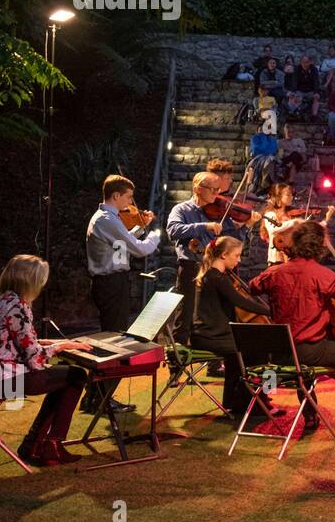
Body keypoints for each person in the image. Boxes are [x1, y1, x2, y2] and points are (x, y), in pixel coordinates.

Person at [248, 221, 335, 433]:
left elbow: (253, 287)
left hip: (279, 351)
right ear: (318, 247)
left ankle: (311, 416)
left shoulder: (274, 272)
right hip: (308, 350)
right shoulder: (324, 275)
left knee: (306, 368)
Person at [0, 255, 93, 465]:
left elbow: (20, 341)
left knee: (62, 375)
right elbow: (35, 358)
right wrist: (63, 346)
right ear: (30, 280)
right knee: (76, 375)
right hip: (0, 381)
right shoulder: (17, 305)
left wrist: (60, 343)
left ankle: (35, 444)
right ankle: (50, 444)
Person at [84, 174, 161, 413]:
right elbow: (137, 249)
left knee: (112, 339)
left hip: (113, 282)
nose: (130, 202)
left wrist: (141, 228)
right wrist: (156, 236)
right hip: (111, 283)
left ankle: (95, 397)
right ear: (116, 195)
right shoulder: (106, 219)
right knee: (113, 342)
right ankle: (100, 398)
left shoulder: (109, 219)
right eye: (128, 197)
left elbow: (123, 241)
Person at [189, 236, 276, 421]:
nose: (239, 260)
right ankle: (262, 398)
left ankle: (239, 402)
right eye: (236, 255)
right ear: (223, 255)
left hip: (208, 334)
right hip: (210, 336)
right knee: (265, 349)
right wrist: (272, 311)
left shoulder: (213, 275)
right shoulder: (216, 278)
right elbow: (241, 302)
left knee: (239, 358)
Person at [167, 172, 259, 343]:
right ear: (197, 188)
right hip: (191, 268)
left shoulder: (219, 212)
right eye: (213, 189)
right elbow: (173, 230)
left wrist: (247, 227)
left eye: (218, 190)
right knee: (185, 314)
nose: (217, 194)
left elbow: (233, 243)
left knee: (216, 315)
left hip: (213, 271)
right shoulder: (181, 210)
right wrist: (205, 226)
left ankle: (215, 363)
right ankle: (176, 361)